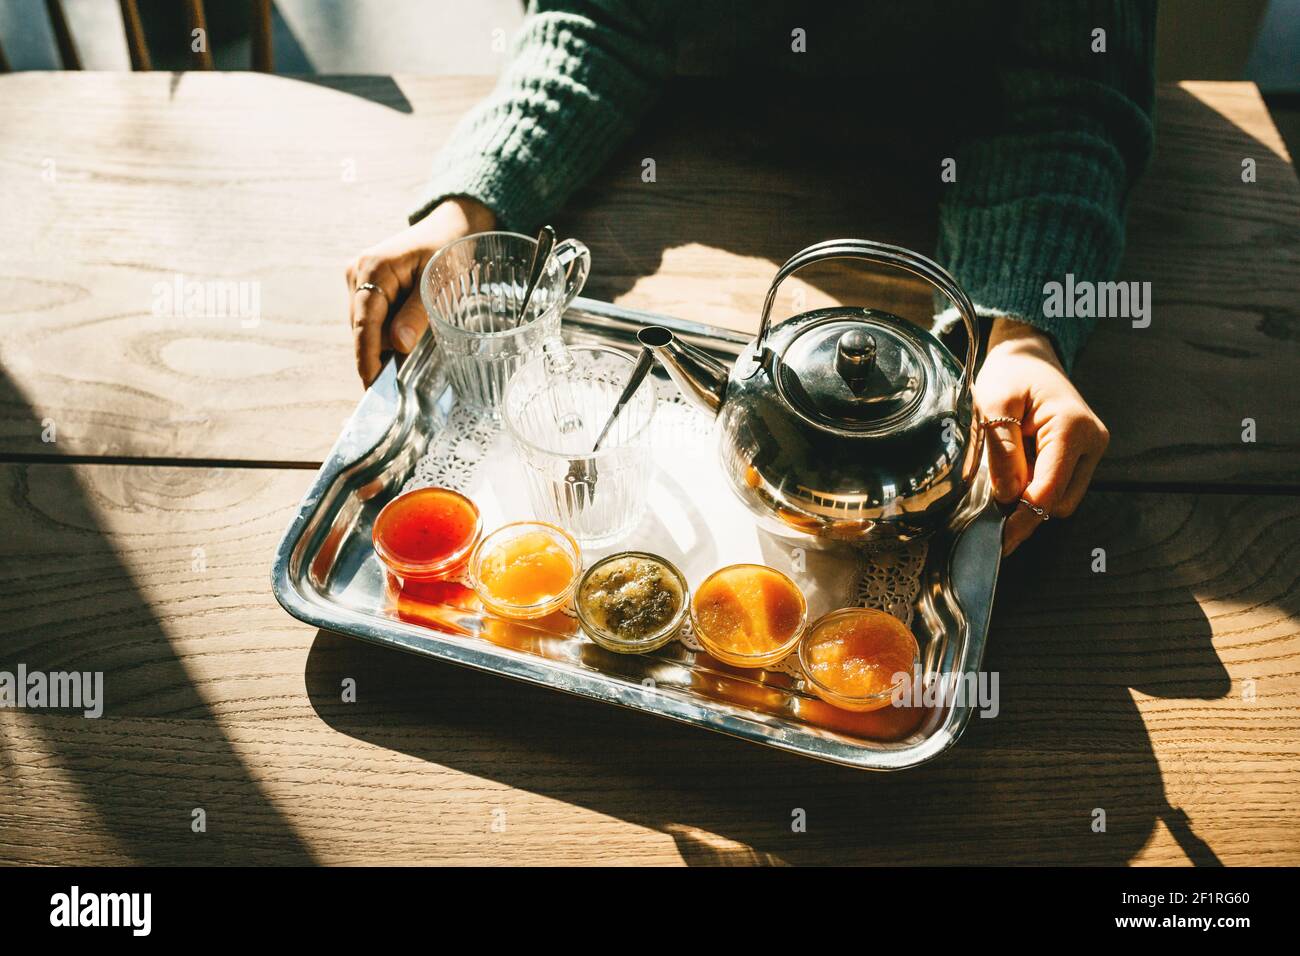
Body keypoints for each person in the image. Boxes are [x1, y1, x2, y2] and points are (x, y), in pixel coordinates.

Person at [346, 1, 1155, 555]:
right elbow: (598, 20)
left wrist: (1017, 330)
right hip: (692, 161)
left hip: (953, 155)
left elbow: (1070, 96)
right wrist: (471, 213)